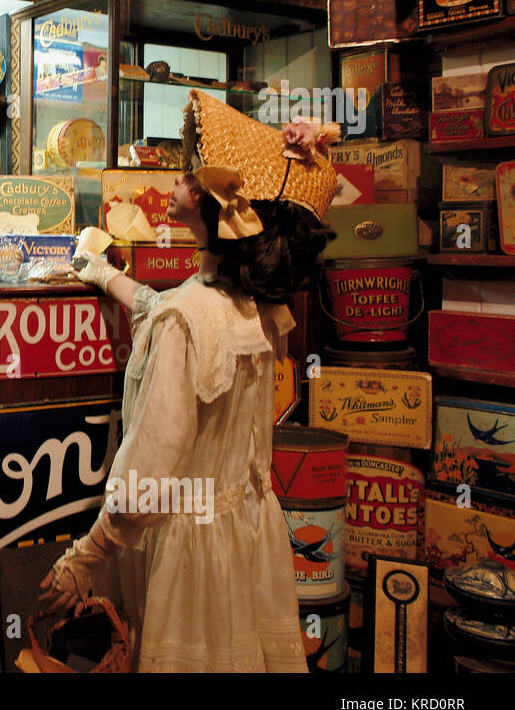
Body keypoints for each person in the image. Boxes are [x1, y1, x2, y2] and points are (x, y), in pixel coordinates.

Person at [41, 90, 341, 672]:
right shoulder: (253, 303)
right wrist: (105, 276)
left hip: (192, 550)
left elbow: (152, 467)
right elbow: (162, 308)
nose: (172, 182)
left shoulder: (192, 315)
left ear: (214, 204)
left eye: (183, 174)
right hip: (244, 537)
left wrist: (87, 555)